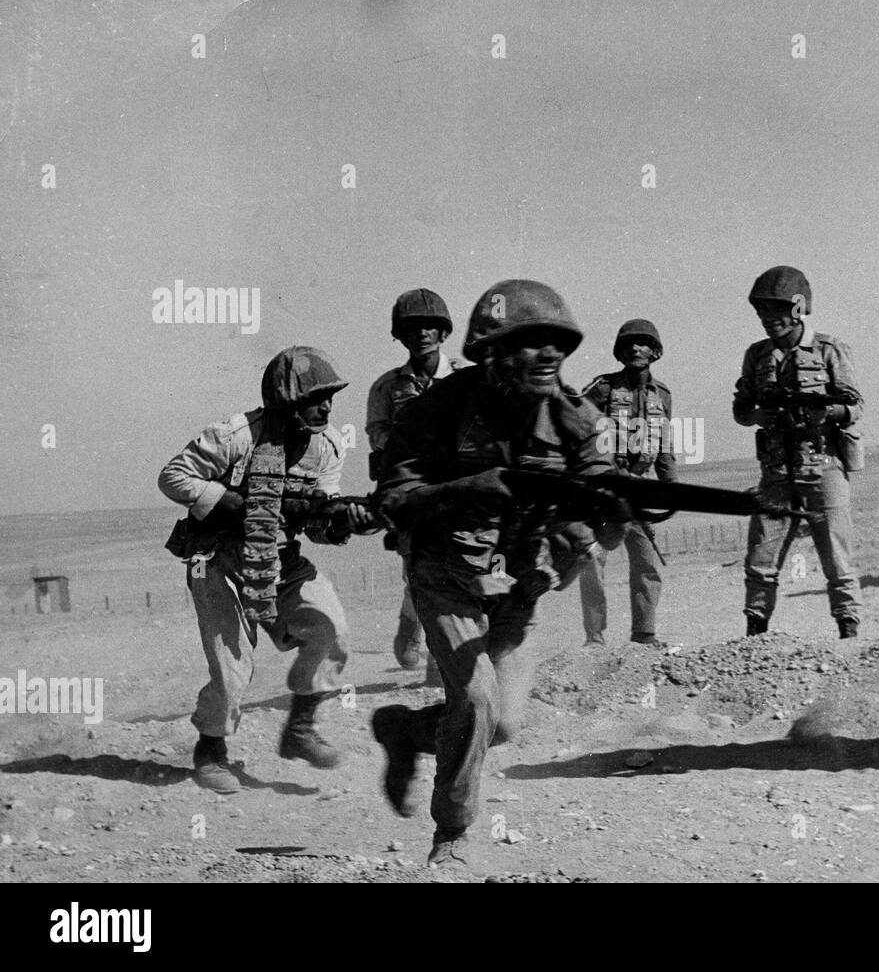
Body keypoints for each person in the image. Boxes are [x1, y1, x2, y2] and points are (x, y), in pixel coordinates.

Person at [369, 280, 627, 877]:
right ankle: (452, 834)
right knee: (477, 697)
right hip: (446, 574)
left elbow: (601, 505)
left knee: (501, 724)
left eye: (557, 346)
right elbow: (396, 498)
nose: (549, 358)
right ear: (489, 351)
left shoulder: (574, 417)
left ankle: (405, 730)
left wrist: (597, 520)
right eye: (531, 345)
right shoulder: (436, 410)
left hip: (520, 584)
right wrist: (471, 489)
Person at [159, 346, 377, 794]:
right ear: (285, 401)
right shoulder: (237, 434)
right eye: (315, 397)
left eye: (330, 396)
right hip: (217, 558)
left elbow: (317, 515)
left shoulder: (328, 445)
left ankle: (300, 729)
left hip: (280, 557)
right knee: (232, 666)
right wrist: (238, 506)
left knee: (329, 627)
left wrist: (337, 524)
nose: (326, 406)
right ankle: (211, 749)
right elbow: (174, 476)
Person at [732, 266, 865, 639]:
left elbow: (855, 406)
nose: (767, 319)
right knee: (761, 560)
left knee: (838, 560)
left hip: (823, 468)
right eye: (761, 312)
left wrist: (827, 412)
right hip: (775, 473)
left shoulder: (829, 350)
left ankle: (848, 632)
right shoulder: (757, 356)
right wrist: (758, 414)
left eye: (775, 311)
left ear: (798, 308)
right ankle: (755, 634)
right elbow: (741, 410)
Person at [366, 288, 462, 683]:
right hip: (411, 492)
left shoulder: (464, 378)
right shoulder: (387, 387)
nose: (422, 333)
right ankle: (411, 618)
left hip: (458, 489)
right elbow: (376, 434)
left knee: (460, 571)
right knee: (419, 571)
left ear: (442, 333)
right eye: (412, 328)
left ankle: (441, 666)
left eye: (430, 326)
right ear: (400, 336)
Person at [578, 318, 676, 648]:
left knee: (647, 564)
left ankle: (644, 635)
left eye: (644, 343)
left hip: (642, 488)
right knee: (593, 560)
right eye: (630, 343)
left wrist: (671, 486)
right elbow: (578, 429)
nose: (637, 348)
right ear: (621, 351)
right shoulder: (602, 389)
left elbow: (664, 444)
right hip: (605, 489)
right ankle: (595, 638)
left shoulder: (661, 395)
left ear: (655, 351)